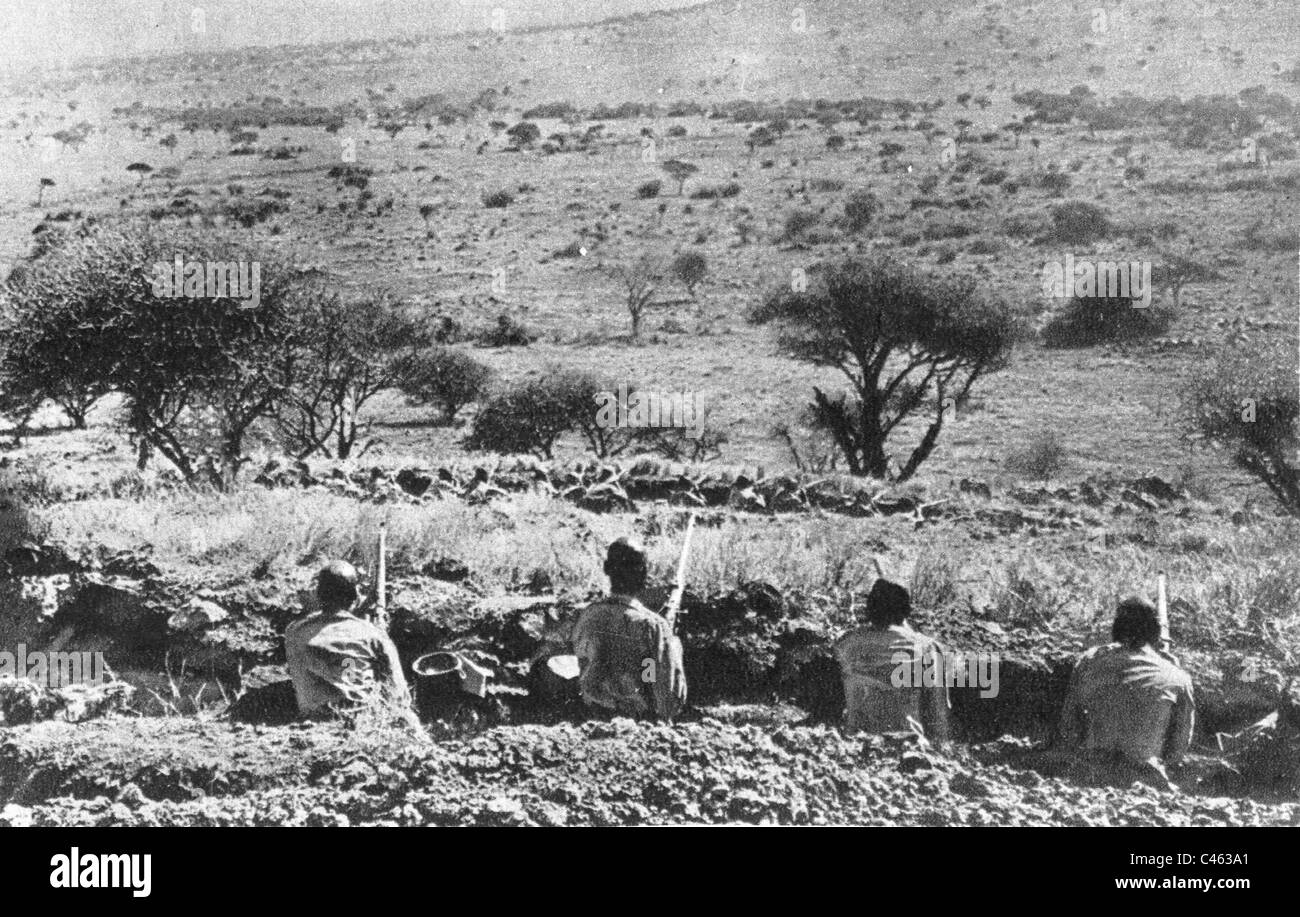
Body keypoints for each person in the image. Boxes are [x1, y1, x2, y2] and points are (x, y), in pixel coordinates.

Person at [1056, 596, 1195, 789]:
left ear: (1117, 627)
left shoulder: (1088, 662)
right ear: (1156, 631)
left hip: (1090, 774)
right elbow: (1177, 749)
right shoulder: (1178, 676)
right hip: (1144, 780)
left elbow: (1069, 729)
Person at [571, 537, 686, 721]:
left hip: (592, 719)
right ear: (644, 572)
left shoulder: (588, 617)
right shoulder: (651, 626)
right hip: (638, 725)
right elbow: (664, 693)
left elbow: (585, 662)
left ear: (607, 568)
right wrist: (672, 644)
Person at [285, 560, 415, 723]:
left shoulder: (294, 632)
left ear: (319, 594)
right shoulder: (373, 635)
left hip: (314, 720)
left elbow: (329, 626)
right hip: (361, 720)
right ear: (354, 595)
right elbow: (399, 695)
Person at [834, 577, 950, 741]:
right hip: (906, 745)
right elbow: (938, 712)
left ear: (869, 610)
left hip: (855, 744)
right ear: (906, 611)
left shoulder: (846, 643)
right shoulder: (927, 648)